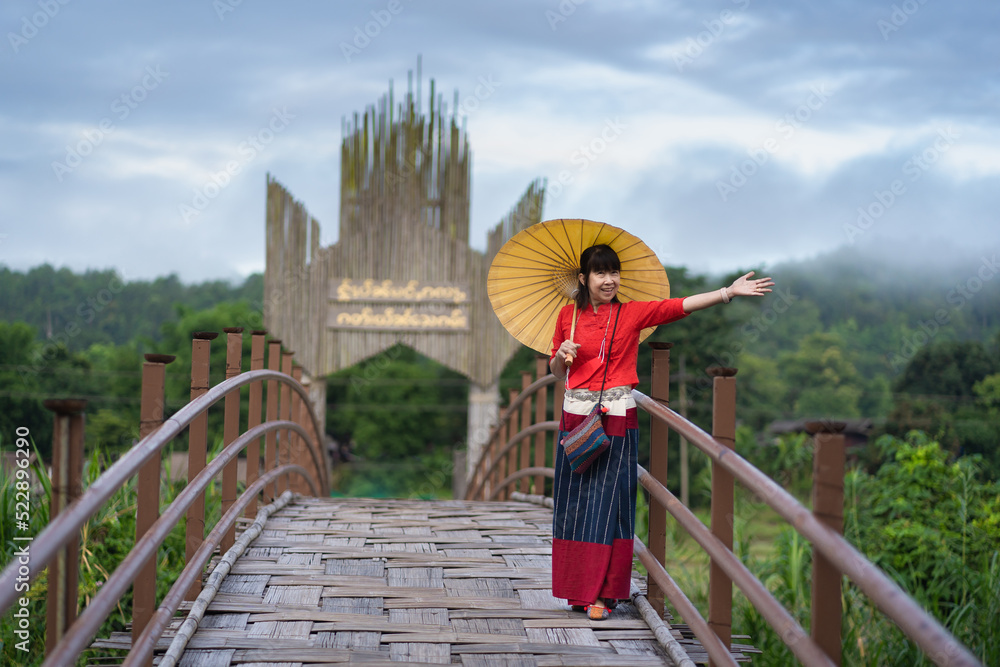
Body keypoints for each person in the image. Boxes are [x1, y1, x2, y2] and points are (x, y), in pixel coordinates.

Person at [548, 243, 773, 620]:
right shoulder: (566, 318)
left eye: (614, 272)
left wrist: (727, 293)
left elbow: (678, 306)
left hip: (617, 415)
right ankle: (577, 590)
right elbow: (556, 373)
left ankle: (602, 594)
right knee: (574, 504)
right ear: (584, 278)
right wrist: (561, 356)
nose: (609, 280)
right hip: (575, 418)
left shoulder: (632, 313)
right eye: (600, 273)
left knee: (609, 503)